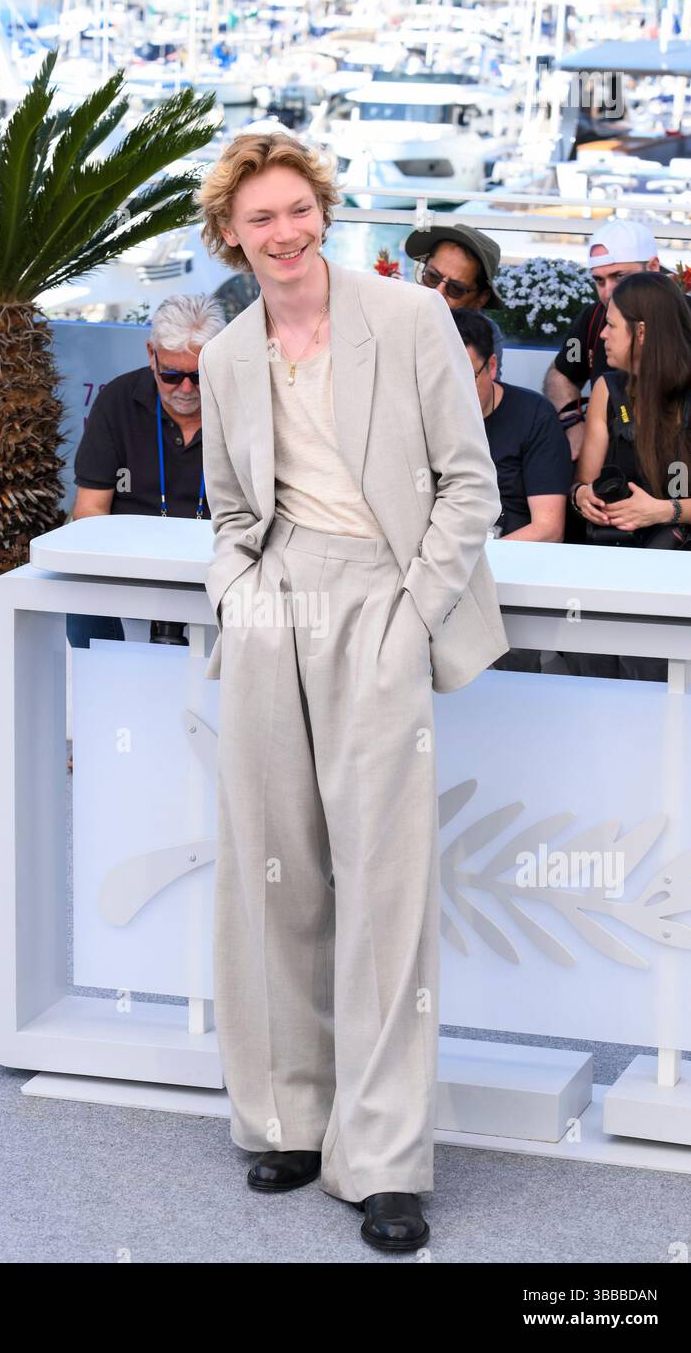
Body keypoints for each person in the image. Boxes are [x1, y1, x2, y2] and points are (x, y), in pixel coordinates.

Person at [195, 131, 508, 1253]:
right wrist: (238, 592)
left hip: (382, 601)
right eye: (258, 218)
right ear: (227, 233)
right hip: (275, 605)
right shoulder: (229, 355)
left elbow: (468, 486)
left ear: (320, 210)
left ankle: (380, 1161)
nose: (282, 233)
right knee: (267, 871)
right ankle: (284, 1116)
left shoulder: (409, 320)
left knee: (383, 888)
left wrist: (413, 612)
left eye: (296, 209)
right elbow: (230, 512)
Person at [567, 271, 691, 680]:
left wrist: (662, 511)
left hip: (682, 570)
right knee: (591, 667)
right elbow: (583, 481)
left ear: (642, 332)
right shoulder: (608, 391)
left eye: (611, 326)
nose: (602, 337)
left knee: (650, 672)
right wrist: (582, 497)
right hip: (612, 564)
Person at [66, 293, 226, 651]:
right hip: (130, 562)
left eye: (200, 376)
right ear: (151, 353)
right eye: (171, 375)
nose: (186, 389)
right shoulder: (118, 399)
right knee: (81, 597)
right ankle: (104, 682)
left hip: (220, 559)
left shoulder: (246, 403)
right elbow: (89, 510)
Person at [453, 308, 572, 673]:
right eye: (444, 374)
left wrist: (474, 565)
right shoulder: (422, 410)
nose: (454, 387)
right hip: (442, 575)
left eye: (467, 375)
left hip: (510, 575)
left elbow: (549, 528)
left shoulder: (532, 414)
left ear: (491, 367)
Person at [543, 218, 691, 463]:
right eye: (599, 280)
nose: (608, 292)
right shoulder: (593, 319)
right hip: (610, 464)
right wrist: (572, 422)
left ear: (653, 267)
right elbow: (562, 372)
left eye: (619, 276)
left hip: (684, 469)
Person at [404, 222, 506, 379]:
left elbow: (483, 398)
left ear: (480, 299)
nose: (438, 292)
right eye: (432, 277)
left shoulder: (487, 336)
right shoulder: (395, 313)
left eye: (455, 289)